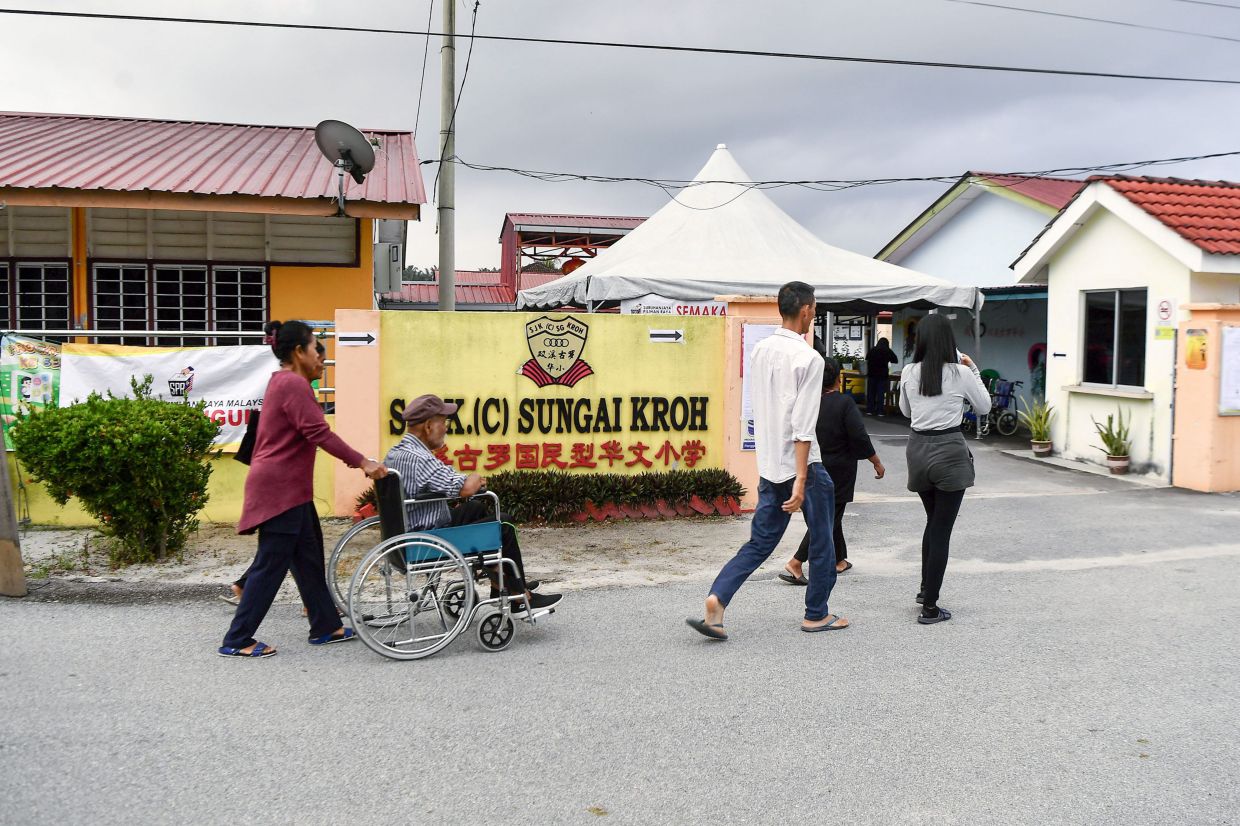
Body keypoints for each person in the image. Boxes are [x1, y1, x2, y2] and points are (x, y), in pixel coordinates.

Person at [687, 281, 848, 640]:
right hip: (804, 467)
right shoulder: (810, 358)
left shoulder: (759, 350)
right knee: (823, 542)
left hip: (771, 466)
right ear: (806, 310)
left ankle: (718, 600)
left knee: (759, 542)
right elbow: (803, 427)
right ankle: (816, 614)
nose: (815, 313)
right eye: (815, 308)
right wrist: (803, 479)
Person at [218, 321, 387, 658]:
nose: (320, 357)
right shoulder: (292, 384)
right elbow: (319, 433)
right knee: (270, 564)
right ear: (298, 352)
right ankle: (237, 638)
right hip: (279, 490)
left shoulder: (287, 382)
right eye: (314, 348)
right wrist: (363, 462)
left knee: (308, 557)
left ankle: (325, 625)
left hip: (290, 489)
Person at [384, 394, 562, 613]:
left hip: (409, 531)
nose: (446, 428)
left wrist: (469, 482)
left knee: (476, 509)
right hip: (428, 537)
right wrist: (476, 477)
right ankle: (519, 595)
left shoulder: (397, 453)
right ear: (429, 426)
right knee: (503, 525)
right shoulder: (420, 458)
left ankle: (501, 583)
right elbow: (466, 487)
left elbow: (445, 482)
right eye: (443, 422)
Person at [898, 313, 991, 625]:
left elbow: (905, 411)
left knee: (933, 522)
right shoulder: (959, 373)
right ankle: (930, 608)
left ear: (921, 341)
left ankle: (926, 590)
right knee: (941, 530)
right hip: (949, 452)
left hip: (918, 450)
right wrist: (972, 368)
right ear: (948, 341)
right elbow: (984, 407)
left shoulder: (909, 372)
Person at [779, 357, 885, 584]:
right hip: (840, 469)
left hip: (813, 466)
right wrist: (875, 461)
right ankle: (796, 562)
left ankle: (839, 560)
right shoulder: (844, 403)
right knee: (827, 519)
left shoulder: (808, 403)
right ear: (839, 378)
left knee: (831, 515)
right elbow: (859, 436)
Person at [864, 337, 899, 416]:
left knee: (871, 393)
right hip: (882, 375)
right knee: (880, 393)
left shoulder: (873, 350)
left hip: (872, 374)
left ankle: (870, 410)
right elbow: (895, 360)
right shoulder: (887, 351)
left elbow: (867, 358)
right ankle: (880, 411)